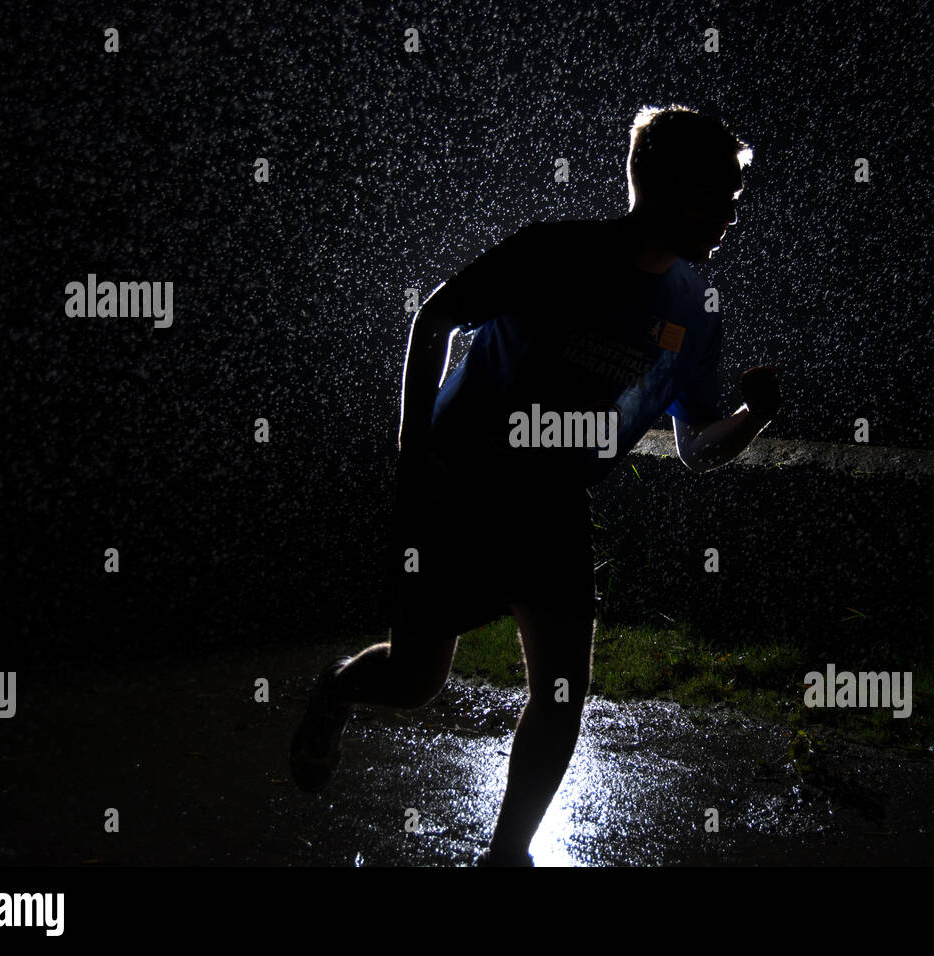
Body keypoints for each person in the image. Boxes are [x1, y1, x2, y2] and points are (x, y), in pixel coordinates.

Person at [291, 104, 782, 866]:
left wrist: (755, 417)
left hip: (553, 504)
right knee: (416, 680)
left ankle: (507, 857)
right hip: (463, 483)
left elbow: (696, 450)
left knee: (561, 695)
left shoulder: (695, 309)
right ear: (660, 187)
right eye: (718, 195)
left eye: (736, 198)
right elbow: (435, 319)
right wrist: (414, 451)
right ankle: (335, 691)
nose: (730, 215)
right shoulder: (555, 253)